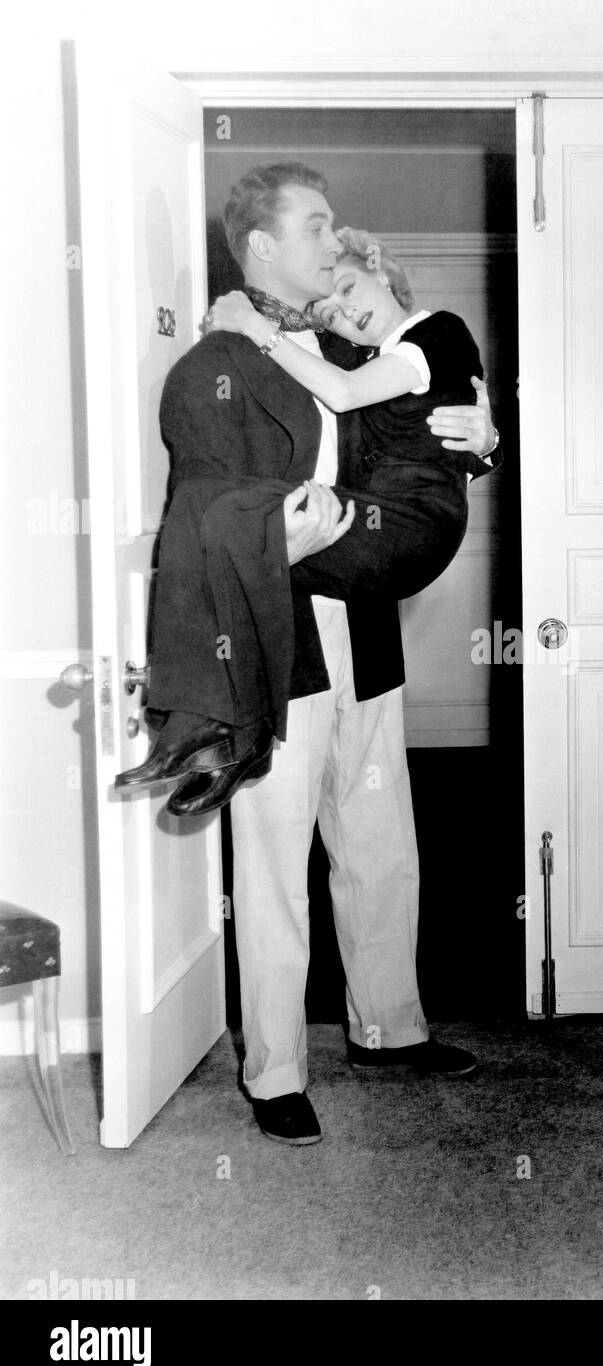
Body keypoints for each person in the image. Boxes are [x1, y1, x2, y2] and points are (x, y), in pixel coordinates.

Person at [141, 163, 500, 1145]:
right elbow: (209, 507)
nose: (334, 240)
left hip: (365, 631)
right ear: (261, 246)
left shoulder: (350, 337)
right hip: (280, 636)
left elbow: (417, 431)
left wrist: (480, 437)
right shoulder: (216, 366)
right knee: (272, 857)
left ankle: (389, 1029)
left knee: (382, 843)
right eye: (315, 225)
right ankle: (275, 1067)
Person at [117, 226, 486, 819]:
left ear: (382, 273)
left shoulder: (436, 330)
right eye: (330, 310)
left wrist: (489, 442)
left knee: (377, 835)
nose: (343, 311)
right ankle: (215, 730)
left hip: (404, 531)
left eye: (348, 287)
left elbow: (343, 396)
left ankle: (229, 732)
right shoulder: (358, 353)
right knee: (207, 511)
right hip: (340, 566)